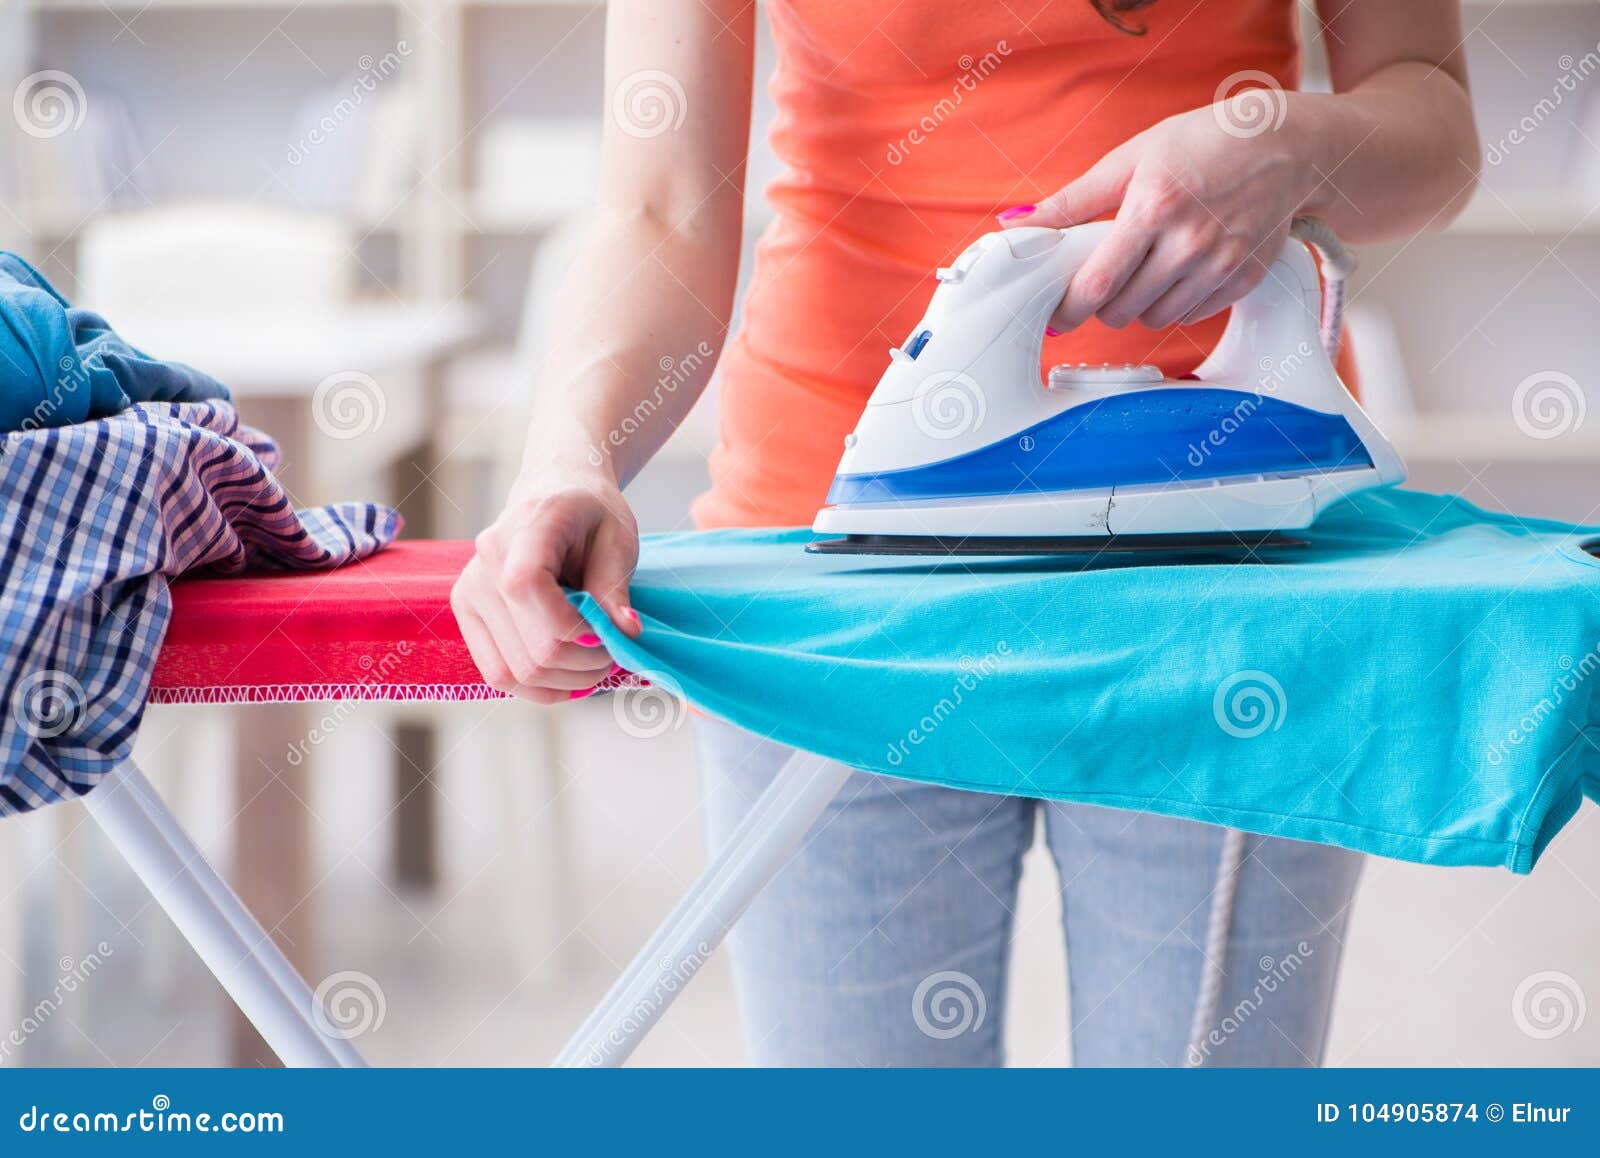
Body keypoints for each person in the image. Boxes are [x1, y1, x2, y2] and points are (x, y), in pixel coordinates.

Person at [452, 0, 1479, 1065]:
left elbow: (1433, 118)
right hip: (827, 585)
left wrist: (1284, 140)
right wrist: (569, 457)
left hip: (1225, 579)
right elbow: (662, 205)